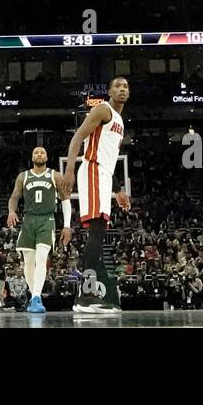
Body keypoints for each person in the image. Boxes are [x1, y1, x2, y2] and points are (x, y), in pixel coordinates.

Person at [61, 77, 133, 315]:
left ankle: (88, 294)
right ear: (110, 91)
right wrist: (69, 170)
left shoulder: (120, 121)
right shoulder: (103, 109)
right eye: (117, 86)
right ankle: (85, 297)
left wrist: (118, 191)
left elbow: (109, 158)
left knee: (99, 231)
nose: (122, 90)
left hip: (103, 174)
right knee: (97, 229)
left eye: (125, 87)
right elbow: (78, 137)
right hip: (91, 169)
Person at [5, 146, 72, 315]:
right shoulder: (23, 176)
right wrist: (12, 211)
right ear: (32, 157)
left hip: (46, 219)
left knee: (42, 258)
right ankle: (35, 296)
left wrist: (67, 225)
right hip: (28, 219)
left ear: (47, 157)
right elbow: (14, 197)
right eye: (36, 152)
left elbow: (65, 200)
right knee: (28, 261)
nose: (39, 154)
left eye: (42, 152)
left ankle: (35, 298)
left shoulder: (55, 175)